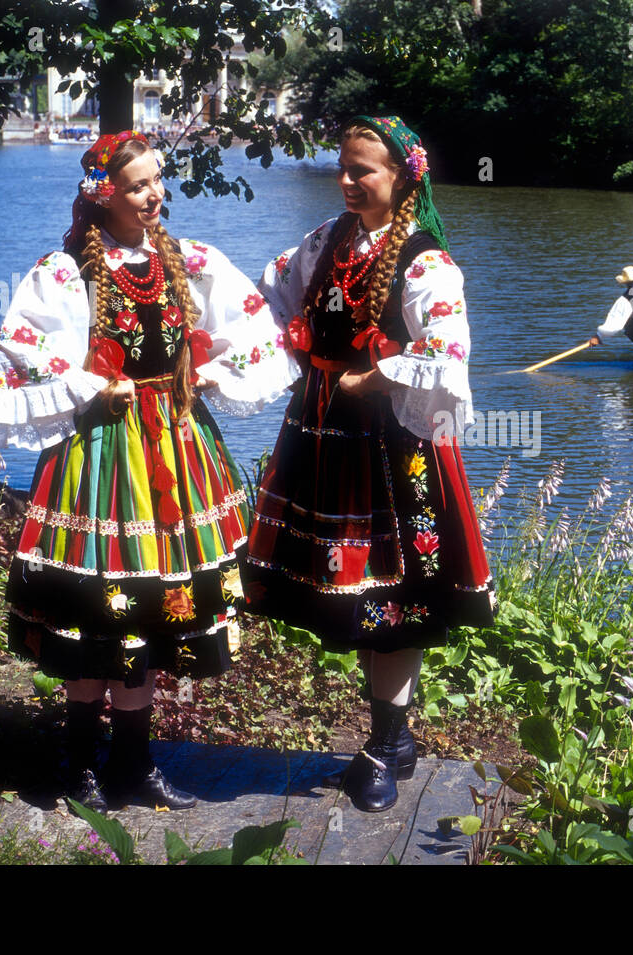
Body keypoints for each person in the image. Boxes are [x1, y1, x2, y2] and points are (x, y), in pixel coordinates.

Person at [0, 131, 299, 813]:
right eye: (140, 184)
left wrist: (205, 374)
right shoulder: (68, 272)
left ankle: (135, 761)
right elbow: (23, 350)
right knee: (97, 606)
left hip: (176, 447)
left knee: (152, 606)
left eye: (158, 181)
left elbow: (253, 327)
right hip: (101, 455)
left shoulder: (187, 260)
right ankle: (82, 760)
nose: (156, 195)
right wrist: (91, 384)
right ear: (103, 193)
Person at [243, 115, 496, 813]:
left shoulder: (425, 262)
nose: (349, 181)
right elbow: (271, 301)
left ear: (403, 176)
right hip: (321, 435)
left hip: (393, 451)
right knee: (351, 595)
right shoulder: (325, 241)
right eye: (344, 167)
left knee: (394, 597)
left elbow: (447, 347)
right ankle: (394, 735)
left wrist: (381, 375)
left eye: (365, 170)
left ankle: (387, 741)